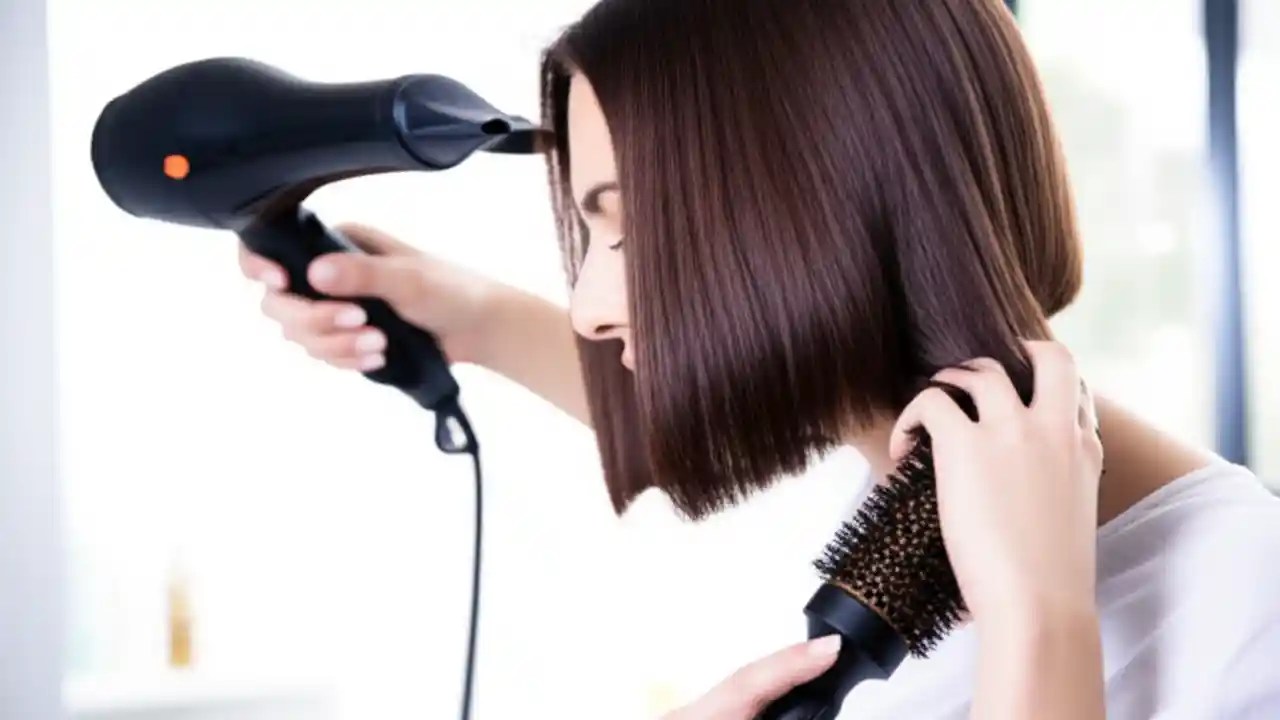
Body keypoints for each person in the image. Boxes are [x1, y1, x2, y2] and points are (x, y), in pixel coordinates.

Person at [239, 0, 1280, 717]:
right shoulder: (885, 476)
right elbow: (705, 415)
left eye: (634, 231)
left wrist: (1038, 624)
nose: (594, 308)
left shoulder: (1249, 608)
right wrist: (456, 314)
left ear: (823, 210)